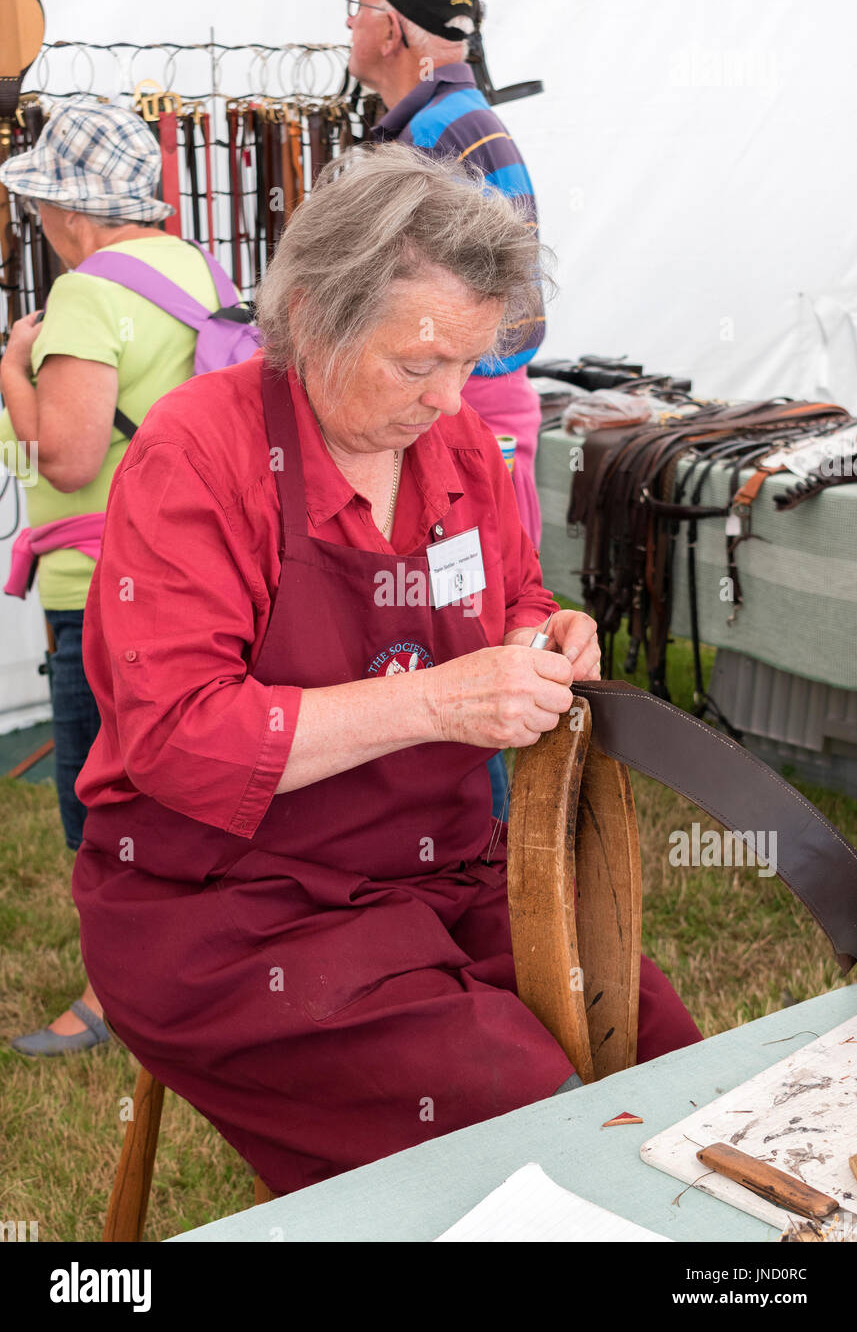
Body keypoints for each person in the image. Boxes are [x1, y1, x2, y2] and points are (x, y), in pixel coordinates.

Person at [71, 142, 701, 1196]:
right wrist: (439, 700)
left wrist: (544, 635)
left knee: (662, 1058)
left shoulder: (454, 454)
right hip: (229, 909)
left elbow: (512, 600)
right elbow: (180, 741)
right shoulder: (200, 455)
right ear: (315, 317)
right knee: (517, 1116)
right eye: (418, 364)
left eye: (468, 364)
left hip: (445, 874)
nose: (449, 400)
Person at [0, 98, 239, 1055]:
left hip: (101, 587)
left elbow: (62, 457)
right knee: (183, 779)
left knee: (100, 799)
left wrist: (15, 368)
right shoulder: (201, 268)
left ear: (70, 210)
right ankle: (210, 961)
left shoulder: (88, 292)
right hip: (196, 573)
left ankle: (117, 997)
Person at [334, 0, 547, 547]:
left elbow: (412, 301)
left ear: (393, 31)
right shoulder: (456, 118)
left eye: (360, 6)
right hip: (471, 401)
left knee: (475, 611)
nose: (351, 21)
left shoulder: (433, 133)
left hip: (461, 407)